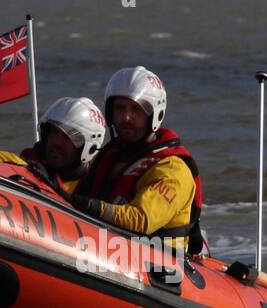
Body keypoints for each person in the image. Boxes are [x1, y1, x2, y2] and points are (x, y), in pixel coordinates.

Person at [68, 67, 203, 253]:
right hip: (106, 249)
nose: (126, 117)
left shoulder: (173, 170)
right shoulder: (109, 156)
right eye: (120, 108)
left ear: (154, 115)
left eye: (136, 110)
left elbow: (140, 220)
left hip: (156, 263)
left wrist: (91, 206)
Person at [19, 97, 108, 194]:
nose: (57, 142)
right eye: (54, 132)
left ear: (88, 148)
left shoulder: (95, 188)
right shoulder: (25, 162)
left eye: (67, 137)